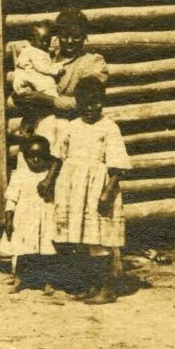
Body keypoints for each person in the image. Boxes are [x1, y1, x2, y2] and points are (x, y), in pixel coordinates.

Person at [45, 75, 132, 297]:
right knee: (80, 240)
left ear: (103, 101)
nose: (90, 107)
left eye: (96, 102)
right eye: (84, 102)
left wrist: (107, 193)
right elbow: (58, 156)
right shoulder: (71, 127)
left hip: (97, 190)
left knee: (98, 240)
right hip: (72, 189)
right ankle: (91, 285)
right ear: (77, 102)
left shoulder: (109, 128)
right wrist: (49, 180)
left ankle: (106, 288)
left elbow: (117, 166)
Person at [5, 123, 60, 289]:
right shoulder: (19, 175)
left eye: (40, 156)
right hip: (24, 219)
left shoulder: (49, 177)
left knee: (47, 251)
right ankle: (19, 279)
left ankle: (48, 282)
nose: (36, 160)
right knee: (23, 250)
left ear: (47, 157)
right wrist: (9, 218)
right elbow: (11, 198)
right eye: (31, 156)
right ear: (25, 156)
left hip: (46, 219)